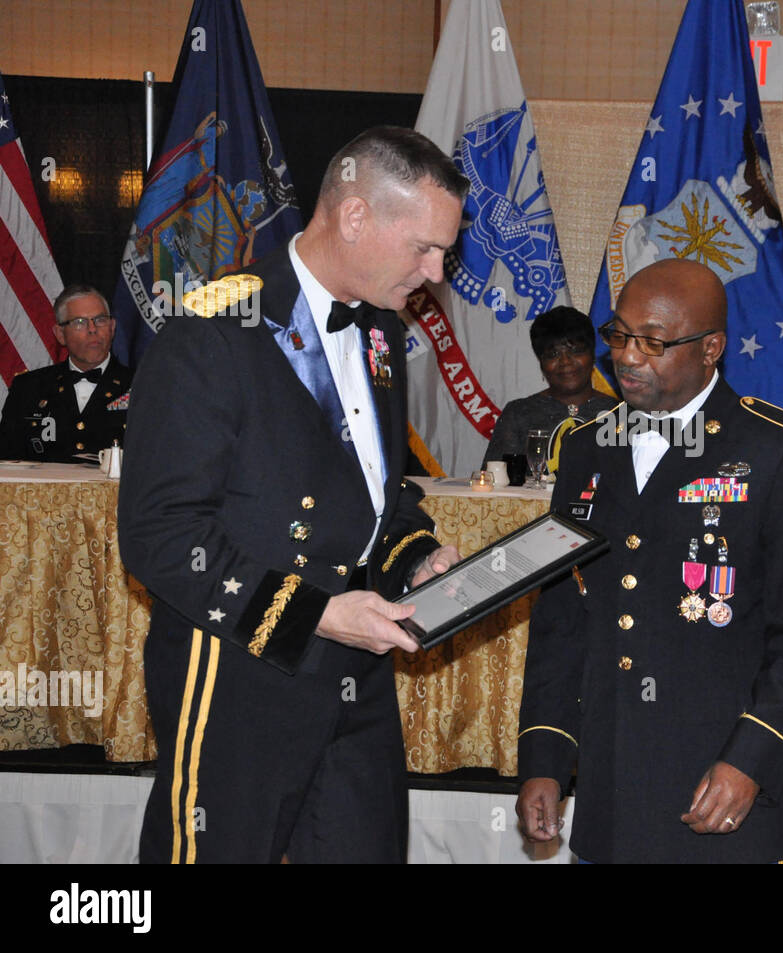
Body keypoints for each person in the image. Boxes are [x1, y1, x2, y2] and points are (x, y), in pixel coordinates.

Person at [118, 126, 468, 863]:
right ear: (354, 217)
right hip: (240, 674)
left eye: (444, 251)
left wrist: (418, 558)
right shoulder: (214, 329)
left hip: (354, 681)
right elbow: (160, 532)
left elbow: (376, 493)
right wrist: (316, 615)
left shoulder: (380, 332)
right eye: (424, 248)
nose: (436, 272)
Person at [515, 258, 783, 863]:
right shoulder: (590, 447)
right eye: (619, 335)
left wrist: (753, 757)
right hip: (614, 795)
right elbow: (563, 617)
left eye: (654, 342)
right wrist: (545, 756)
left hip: (732, 796)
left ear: (711, 348)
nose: (627, 357)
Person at [0, 285, 132, 461]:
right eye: (80, 322)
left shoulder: (142, 386)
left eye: (100, 320)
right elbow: (6, 462)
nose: (92, 329)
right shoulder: (29, 388)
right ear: (60, 334)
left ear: (112, 327)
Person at [481, 306, 618, 471]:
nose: (565, 362)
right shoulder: (518, 413)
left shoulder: (618, 413)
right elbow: (494, 484)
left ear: (593, 355)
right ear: (541, 363)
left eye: (576, 351)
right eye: (553, 354)